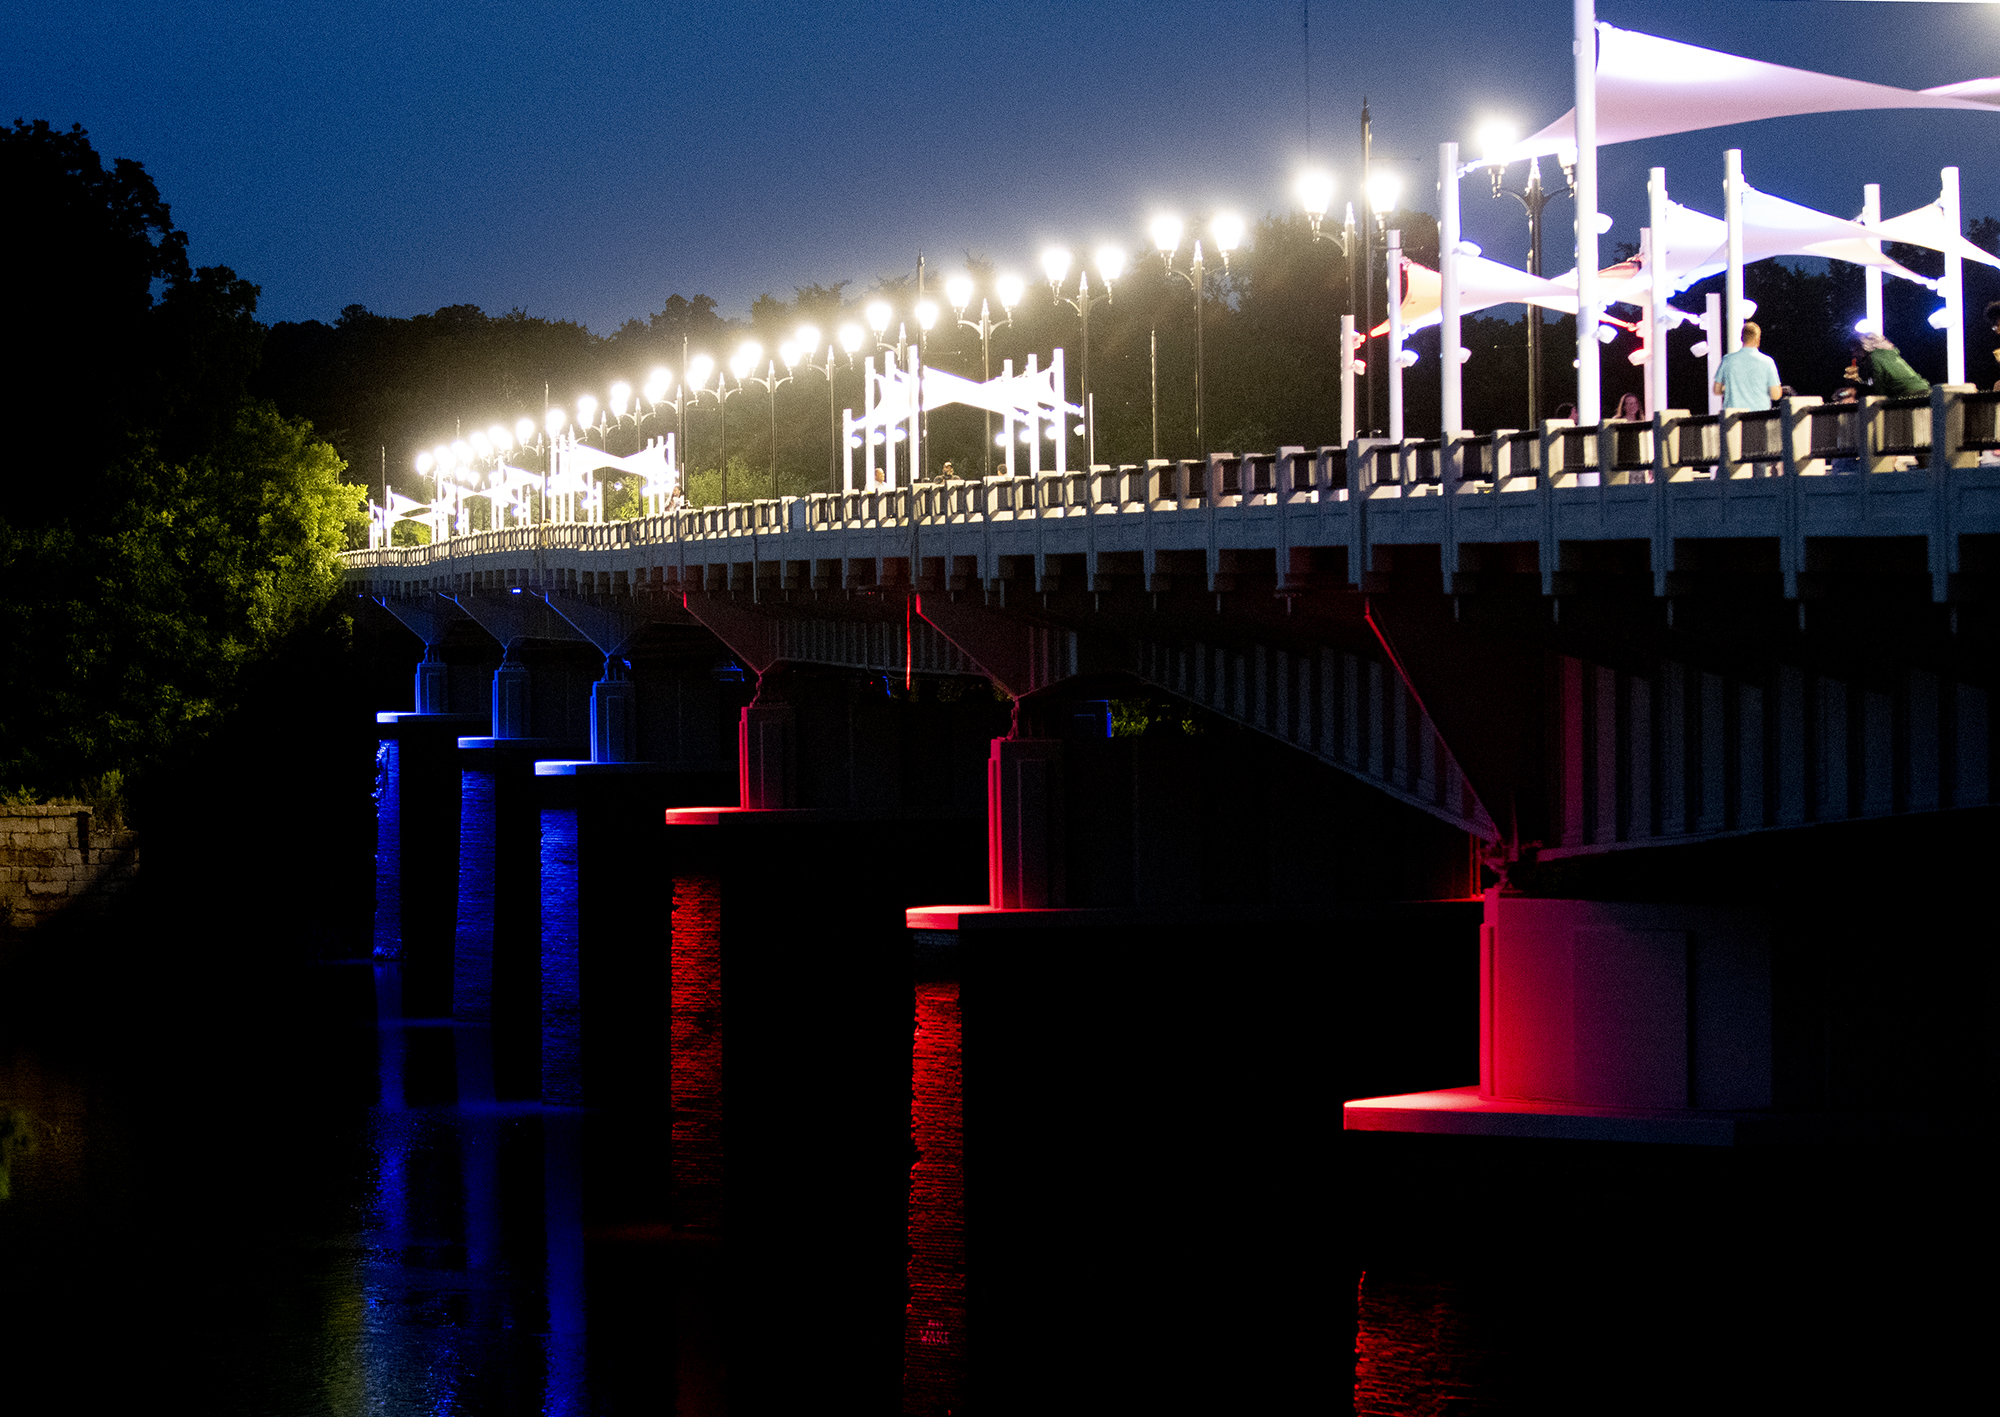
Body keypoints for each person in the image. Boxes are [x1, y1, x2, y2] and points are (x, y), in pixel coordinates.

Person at [1714, 321, 1782, 410]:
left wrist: (1731, 389)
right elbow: (1775, 395)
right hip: (1759, 416)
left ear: (1741, 338)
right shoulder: (1767, 362)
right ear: (1758, 339)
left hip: (1733, 417)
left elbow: (1716, 390)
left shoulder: (1727, 360)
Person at [1844, 332, 1929, 397]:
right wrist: (1859, 383)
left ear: (1863, 346)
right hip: (1923, 389)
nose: (1853, 354)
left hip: (1910, 394)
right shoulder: (1887, 353)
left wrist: (1858, 388)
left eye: (1855, 350)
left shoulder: (1874, 357)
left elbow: (1879, 389)